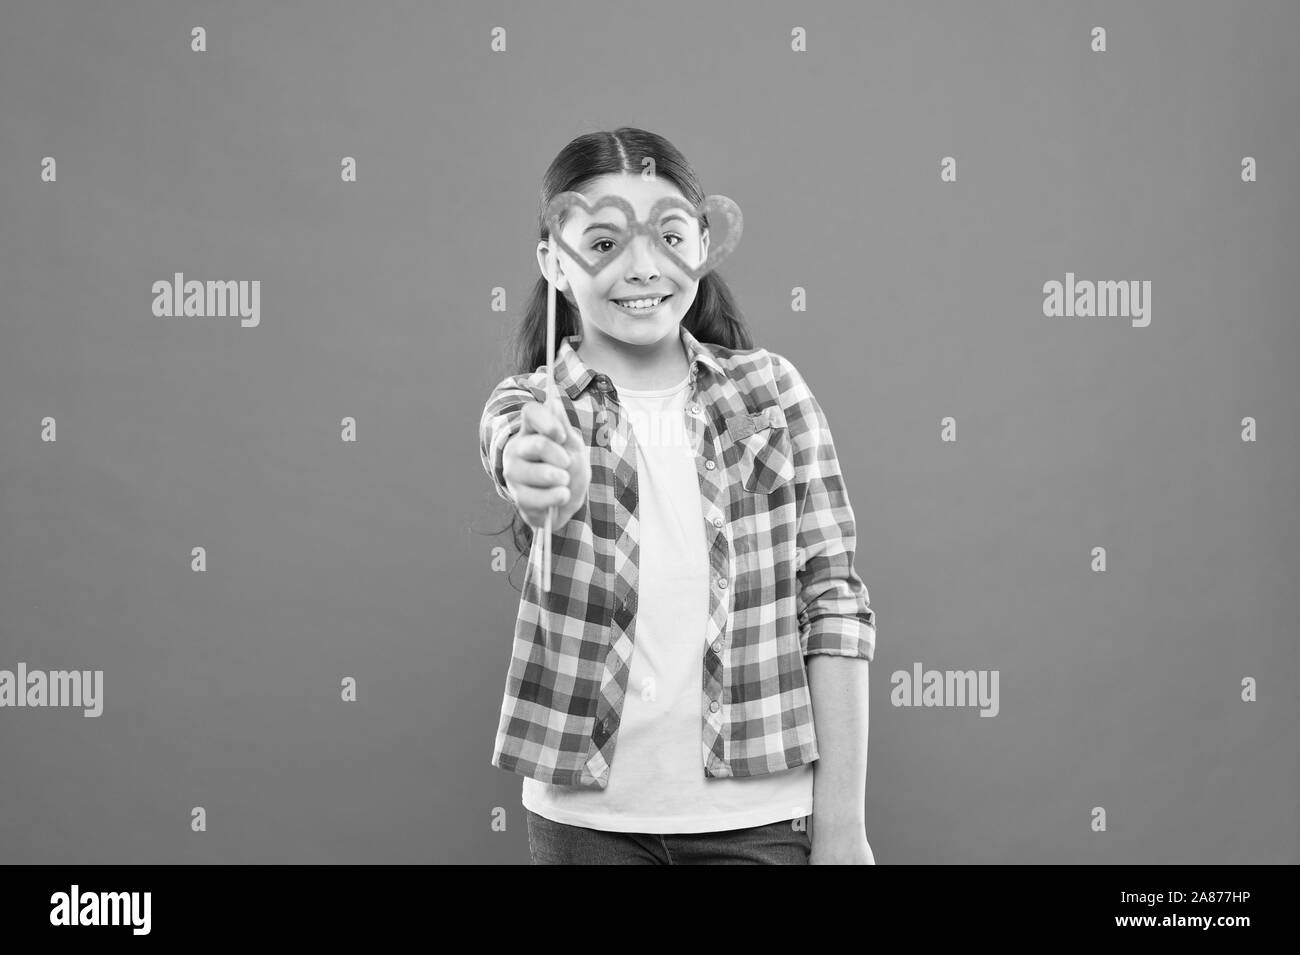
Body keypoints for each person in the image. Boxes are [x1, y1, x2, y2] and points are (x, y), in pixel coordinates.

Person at [478, 127, 877, 864]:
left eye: (668, 235)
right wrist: (538, 469)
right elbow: (515, 448)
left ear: (701, 244)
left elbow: (834, 604)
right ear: (553, 265)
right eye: (602, 244)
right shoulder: (535, 407)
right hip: (585, 826)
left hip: (761, 817)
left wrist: (843, 826)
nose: (642, 266)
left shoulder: (773, 394)